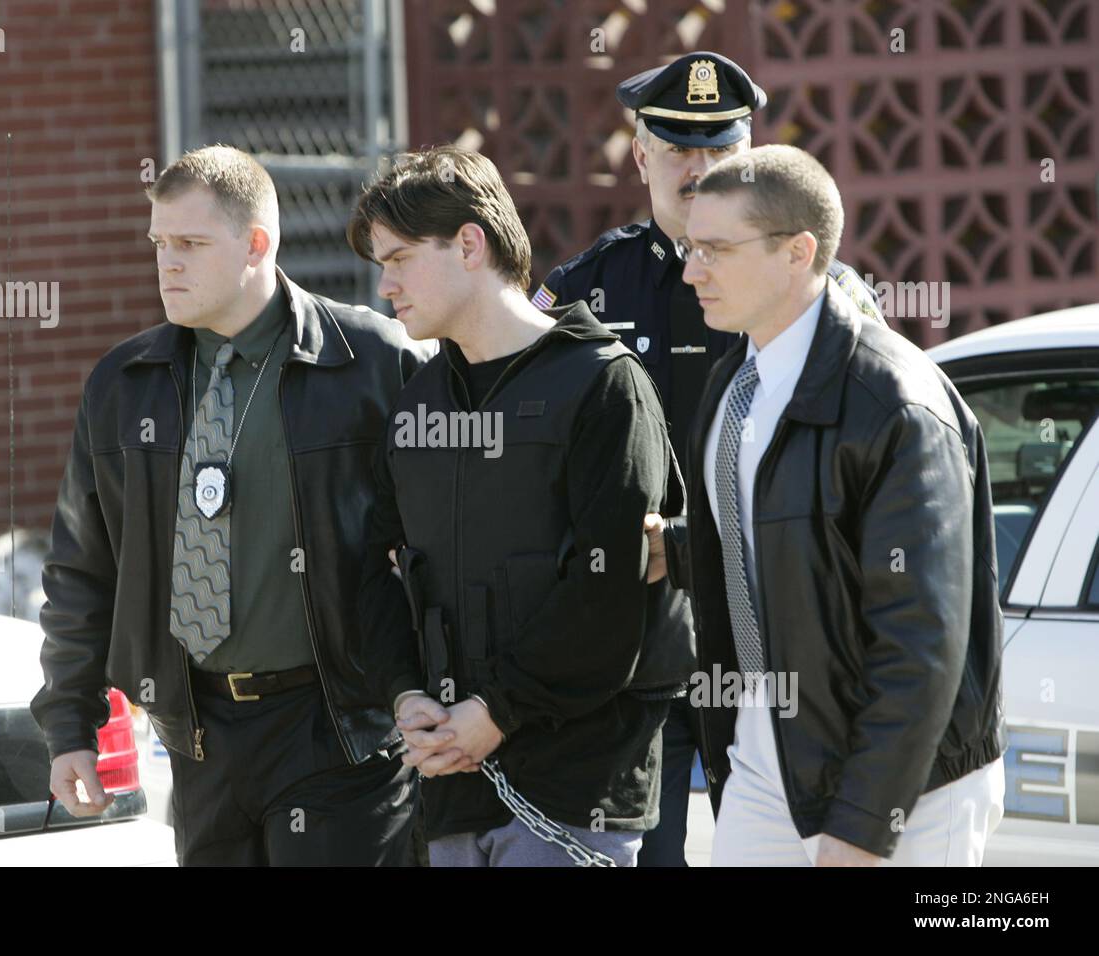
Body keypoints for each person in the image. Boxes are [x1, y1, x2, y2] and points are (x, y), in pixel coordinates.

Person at [32, 145, 432, 866]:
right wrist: (70, 726)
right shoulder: (125, 385)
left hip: (339, 730)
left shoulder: (371, 361)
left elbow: (443, 545)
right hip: (198, 734)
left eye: (190, 243)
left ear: (257, 243)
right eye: (159, 243)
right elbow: (82, 567)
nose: (168, 263)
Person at [532, 50, 883, 867]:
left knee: (777, 847)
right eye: (679, 150)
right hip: (634, 642)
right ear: (642, 153)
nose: (699, 170)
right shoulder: (584, 292)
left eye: (719, 150)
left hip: (772, 633)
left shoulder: (819, 292)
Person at [649, 143, 1005, 865]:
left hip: (908, 785)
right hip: (764, 757)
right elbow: (793, 532)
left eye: (716, 249)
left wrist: (868, 822)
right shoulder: (732, 384)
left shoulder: (895, 403)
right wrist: (681, 549)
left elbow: (923, 638)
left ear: (797, 252)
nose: (691, 271)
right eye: (690, 247)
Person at [348, 145, 686, 866]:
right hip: (447, 792)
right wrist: (406, 697)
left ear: (470, 243)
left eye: (400, 258)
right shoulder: (416, 405)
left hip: (576, 793)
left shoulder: (604, 387)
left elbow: (610, 593)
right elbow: (374, 574)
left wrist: (496, 713)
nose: (385, 285)